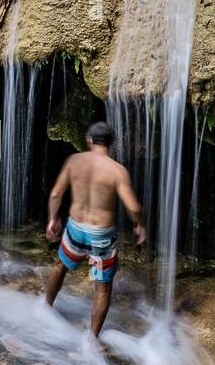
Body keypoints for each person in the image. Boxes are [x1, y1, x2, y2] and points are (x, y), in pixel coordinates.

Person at [44, 121, 146, 340]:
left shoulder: (74, 161)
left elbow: (55, 195)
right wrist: (139, 225)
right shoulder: (117, 171)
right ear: (112, 143)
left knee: (61, 265)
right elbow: (133, 206)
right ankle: (91, 339)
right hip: (101, 236)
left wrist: (53, 219)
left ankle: (45, 307)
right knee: (102, 287)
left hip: (75, 229)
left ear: (89, 140)